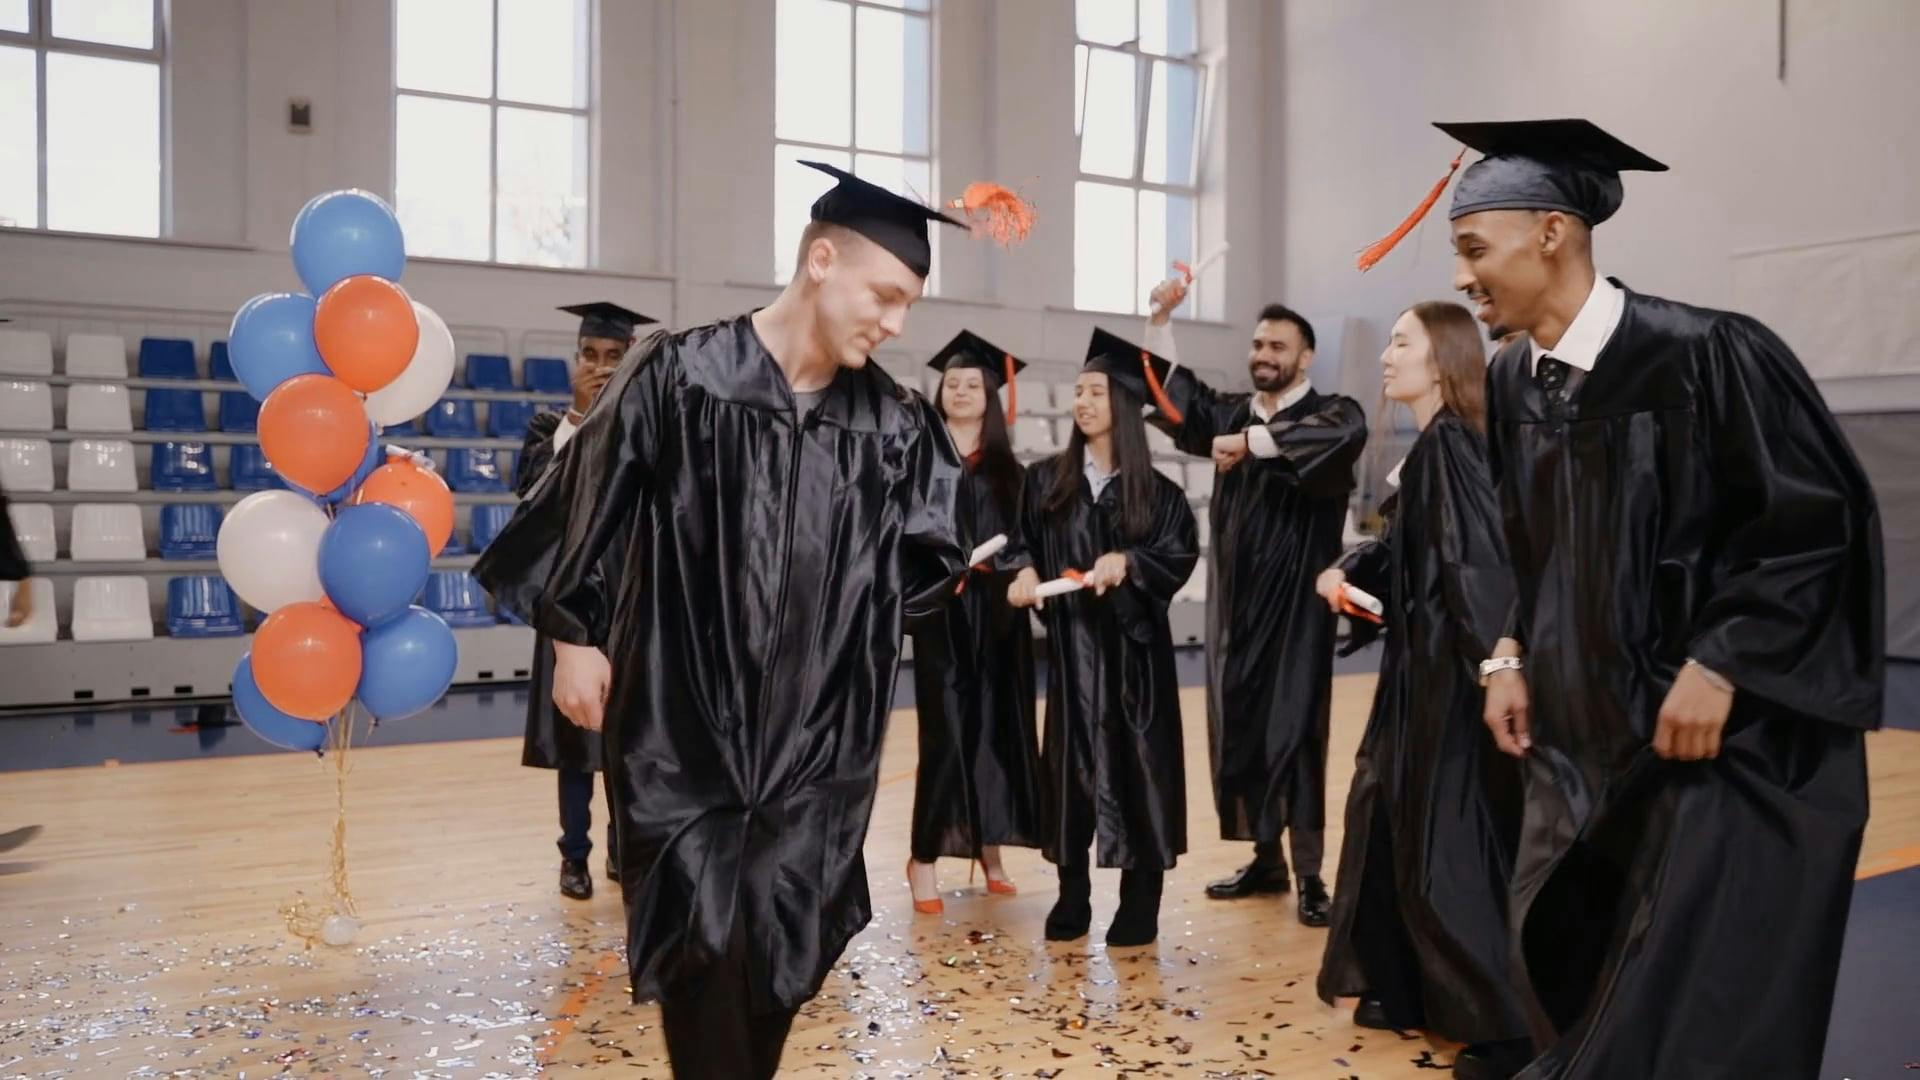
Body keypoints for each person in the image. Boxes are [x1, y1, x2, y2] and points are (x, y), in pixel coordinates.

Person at [1367, 118, 1883, 1079]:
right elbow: (1527, 549)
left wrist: (1725, 661)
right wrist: (1509, 654)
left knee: (1684, 1004)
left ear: (1552, 232)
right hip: (1578, 746)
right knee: (1571, 961)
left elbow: (1818, 526)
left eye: (1476, 250)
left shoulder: (1707, 354)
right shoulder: (1519, 383)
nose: (1466, 278)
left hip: (1711, 755)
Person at [474, 161, 1007, 1079]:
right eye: (885, 296)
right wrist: (571, 631)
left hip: (818, 751)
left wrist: (925, 572)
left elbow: (929, 564)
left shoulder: (890, 421)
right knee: (700, 953)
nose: (895, 325)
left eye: (909, 305)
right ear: (821, 260)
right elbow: (581, 501)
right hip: (683, 736)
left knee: (774, 964)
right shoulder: (680, 374)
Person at [1311, 301, 1530, 1080]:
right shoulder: (1434, 448)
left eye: (1401, 343)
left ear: (1444, 359)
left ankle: (1505, 1024)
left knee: (1449, 843)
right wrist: (1356, 573)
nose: (1386, 356)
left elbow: (1477, 570)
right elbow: (1414, 552)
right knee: (1387, 818)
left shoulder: (1453, 450)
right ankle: (1405, 986)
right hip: (1418, 674)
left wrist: (1493, 670)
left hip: (1449, 679)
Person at [1142, 286, 1367, 926]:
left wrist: (1253, 444)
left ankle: (1312, 876)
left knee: (1296, 732)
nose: (1263, 354)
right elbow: (1172, 400)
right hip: (1235, 607)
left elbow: (1343, 434)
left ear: (1306, 356)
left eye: (1277, 345)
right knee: (1242, 726)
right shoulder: (1232, 410)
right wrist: (1160, 321)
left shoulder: (1333, 411)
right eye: (1257, 344)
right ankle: (1267, 861)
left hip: (1297, 606)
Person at [1005, 328, 1199, 948]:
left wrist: (1132, 563)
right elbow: (1019, 542)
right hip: (1072, 655)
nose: (1081, 402)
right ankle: (1073, 895)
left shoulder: (1159, 495)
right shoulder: (1045, 483)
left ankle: (1140, 903)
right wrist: (1024, 571)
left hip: (1135, 661)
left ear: (1124, 404)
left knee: (1140, 772)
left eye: (1095, 391)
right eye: (1078, 391)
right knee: (1069, 776)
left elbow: (1177, 553)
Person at [516, 301, 657, 901]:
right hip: (571, 609)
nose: (599, 367)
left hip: (631, 605)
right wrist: (579, 413)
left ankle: (626, 851)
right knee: (575, 745)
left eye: (613, 357)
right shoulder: (548, 429)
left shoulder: (646, 430)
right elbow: (533, 501)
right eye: (589, 355)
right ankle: (574, 856)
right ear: (575, 359)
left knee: (632, 740)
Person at [905, 330, 1043, 913]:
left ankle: (990, 850)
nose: (960, 390)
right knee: (946, 735)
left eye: (972, 384)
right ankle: (924, 858)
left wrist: (1018, 567)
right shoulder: (920, 459)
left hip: (999, 617)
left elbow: (1029, 539)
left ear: (992, 396)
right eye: (952, 383)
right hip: (944, 614)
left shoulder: (1012, 473)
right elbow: (903, 533)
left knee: (998, 729)